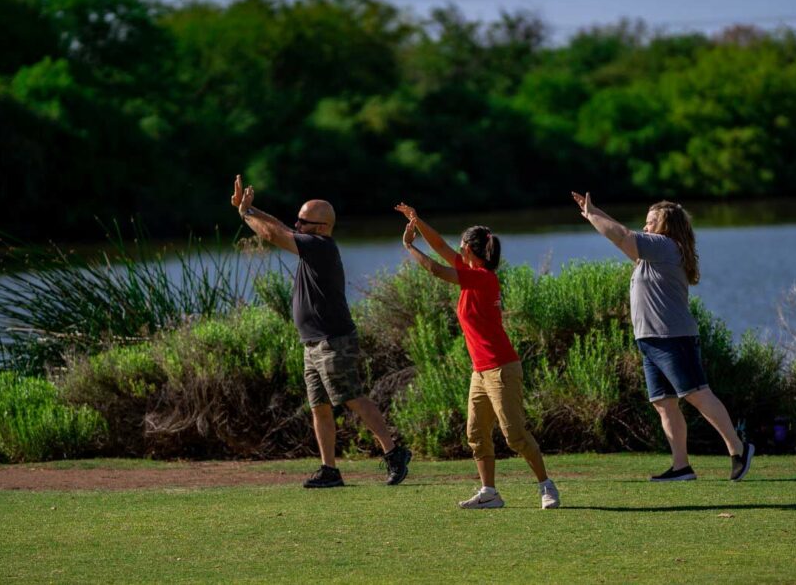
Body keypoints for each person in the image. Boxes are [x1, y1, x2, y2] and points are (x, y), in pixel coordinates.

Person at [231, 176, 411, 488]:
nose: (297, 225)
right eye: (297, 220)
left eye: (303, 222)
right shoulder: (309, 240)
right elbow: (280, 227)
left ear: (321, 226)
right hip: (312, 343)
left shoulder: (319, 247)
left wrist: (246, 215)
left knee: (351, 397)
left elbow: (274, 235)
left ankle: (394, 452)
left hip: (332, 340)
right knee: (320, 407)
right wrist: (250, 208)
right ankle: (330, 470)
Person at [571, 192, 754, 482]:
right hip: (650, 339)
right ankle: (681, 466)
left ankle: (738, 449)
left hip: (673, 337)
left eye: (651, 222)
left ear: (666, 225)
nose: (645, 227)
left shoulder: (666, 246)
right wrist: (594, 211)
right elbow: (623, 237)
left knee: (696, 393)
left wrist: (593, 214)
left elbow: (621, 235)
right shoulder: (652, 254)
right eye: (644, 223)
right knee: (664, 402)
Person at [395, 203, 560, 509]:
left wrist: (408, 245)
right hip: (480, 371)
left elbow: (434, 267)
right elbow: (441, 246)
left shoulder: (481, 278)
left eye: (461, 246)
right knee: (476, 434)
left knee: (515, 436)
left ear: (469, 249)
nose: (455, 249)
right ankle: (490, 492)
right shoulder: (470, 271)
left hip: (501, 369)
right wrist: (417, 221)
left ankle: (546, 486)